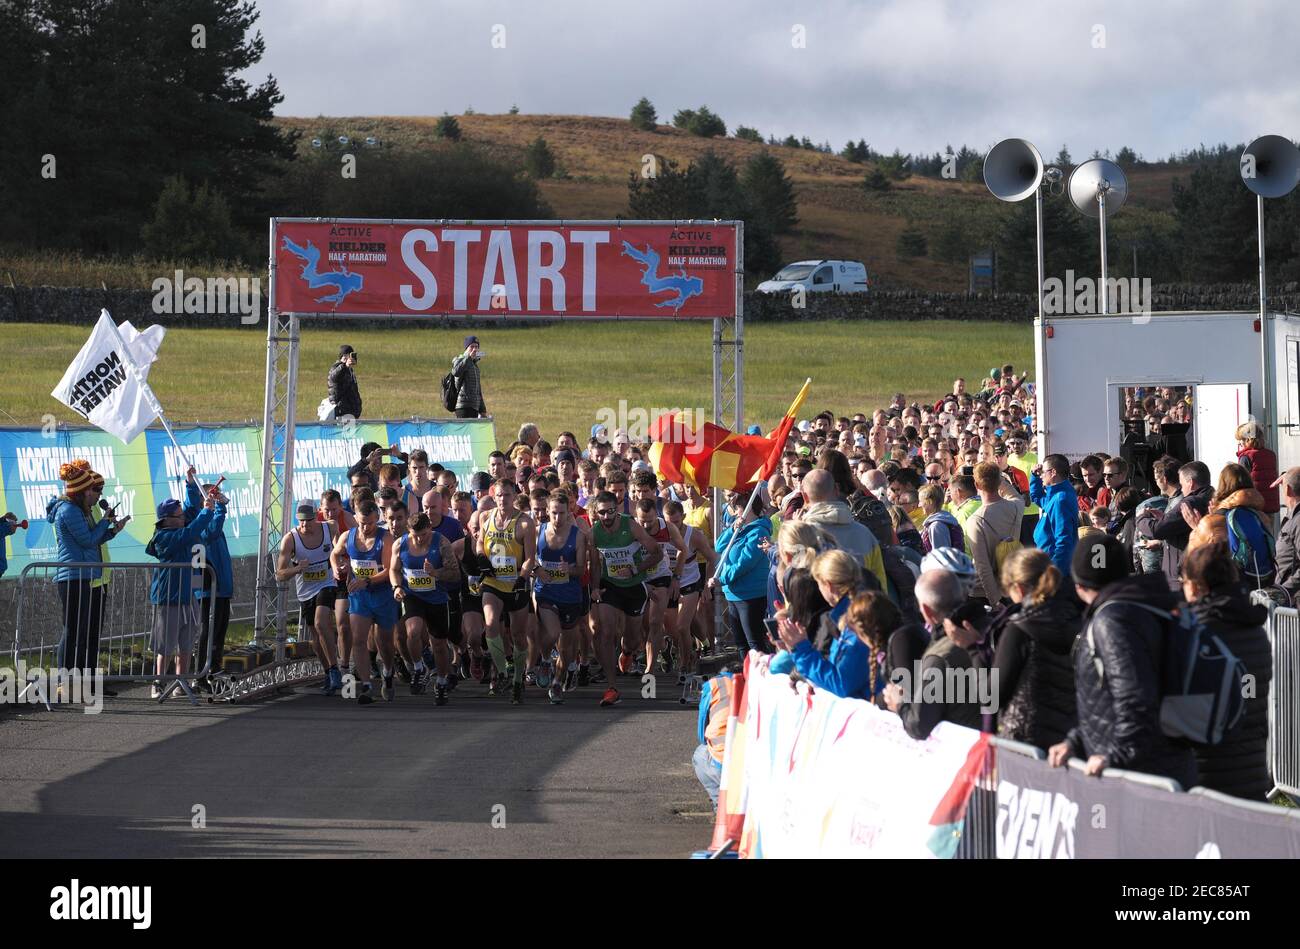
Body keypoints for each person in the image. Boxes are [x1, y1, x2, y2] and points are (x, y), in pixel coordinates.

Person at [1048, 534, 1198, 787]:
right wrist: (1076, 741)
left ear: (1079, 585)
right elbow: (1103, 698)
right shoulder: (1141, 605)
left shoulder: (1113, 621)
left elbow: (1136, 697)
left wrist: (1116, 756)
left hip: (1140, 773)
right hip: (1154, 762)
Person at [1179, 543, 1273, 800]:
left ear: (1196, 586)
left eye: (1183, 582)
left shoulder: (1194, 632)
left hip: (1204, 774)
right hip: (1250, 770)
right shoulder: (1253, 629)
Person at [46, 461, 129, 681]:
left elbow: (92, 539)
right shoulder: (69, 510)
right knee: (72, 630)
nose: (95, 497)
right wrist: (103, 522)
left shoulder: (77, 509)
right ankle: (65, 679)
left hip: (82, 575)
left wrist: (111, 530)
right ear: (81, 492)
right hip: (72, 576)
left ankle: (79, 680)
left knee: (80, 630)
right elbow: (87, 541)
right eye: (92, 491)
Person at [989, 548, 1079, 750]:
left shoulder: (1020, 628)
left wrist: (974, 650)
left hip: (1026, 739)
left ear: (1018, 588)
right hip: (1072, 738)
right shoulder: (1077, 616)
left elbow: (992, 695)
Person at [884, 567, 983, 739]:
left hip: (967, 749)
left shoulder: (939, 657)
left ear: (926, 610)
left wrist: (899, 704)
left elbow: (919, 725)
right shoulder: (990, 625)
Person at [591, 490, 664, 707]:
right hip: (609, 586)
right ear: (596, 512)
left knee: (633, 639)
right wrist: (594, 588)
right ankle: (612, 687)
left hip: (634, 587)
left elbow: (657, 553)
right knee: (606, 632)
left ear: (617, 509)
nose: (606, 516)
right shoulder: (594, 532)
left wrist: (635, 569)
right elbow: (595, 563)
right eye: (602, 512)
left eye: (610, 511)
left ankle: (627, 652)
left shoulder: (630, 525)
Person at [146, 495, 219, 699]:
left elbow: (196, 526)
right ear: (166, 519)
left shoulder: (182, 533)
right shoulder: (163, 538)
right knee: (166, 645)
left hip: (188, 598)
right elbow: (191, 531)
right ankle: (158, 683)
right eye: (178, 516)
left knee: (186, 645)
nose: (183, 519)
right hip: (168, 599)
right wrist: (207, 511)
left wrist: (199, 496)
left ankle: (181, 682)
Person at [774, 550, 873, 700]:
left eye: (818, 584)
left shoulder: (858, 619)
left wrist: (801, 648)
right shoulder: (847, 614)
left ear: (828, 585)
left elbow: (842, 684)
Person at [330, 499, 398, 705]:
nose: (365, 527)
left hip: (383, 594)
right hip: (359, 596)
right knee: (358, 639)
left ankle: (388, 671)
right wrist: (337, 568)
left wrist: (366, 580)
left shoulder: (386, 538)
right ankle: (366, 686)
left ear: (377, 520)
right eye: (361, 523)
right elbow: (335, 554)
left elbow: (389, 570)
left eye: (369, 523)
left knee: (385, 642)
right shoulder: (348, 536)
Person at [390, 511, 461, 704]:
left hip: (437, 598)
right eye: (415, 535)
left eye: (423, 534)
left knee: (438, 645)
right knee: (412, 632)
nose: (420, 539)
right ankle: (419, 667)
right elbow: (394, 569)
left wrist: (436, 572)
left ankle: (441, 681)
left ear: (430, 528)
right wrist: (396, 587)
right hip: (413, 596)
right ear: (409, 531)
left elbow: (455, 574)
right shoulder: (400, 544)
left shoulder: (441, 542)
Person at [476, 479, 537, 704]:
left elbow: (531, 557)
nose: (503, 500)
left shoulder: (525, 523)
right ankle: (502, 673)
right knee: (491, 624)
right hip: (493, 582)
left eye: (507, 495)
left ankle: (518, 679)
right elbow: (479, 542)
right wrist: (482, 557)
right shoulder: (485, 517)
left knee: (519, 636)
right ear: (494, 496)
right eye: (499, 495)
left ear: (514, 496)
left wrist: (523, 578)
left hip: (515, 583)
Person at [276, 502, 342, 695]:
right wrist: (297, 568)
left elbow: (339, 544)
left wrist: (339, 559)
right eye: (301, 521)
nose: (305, 525)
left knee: (322, 623)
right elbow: (279, 574)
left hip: (327, 583)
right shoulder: (290, 539)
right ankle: (328, 672)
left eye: (310, 520)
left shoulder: (330, 527)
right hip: (306, 590)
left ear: (317, 516)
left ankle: (336, 669)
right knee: (315, 637)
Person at [533, 490, 590, 705]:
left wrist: (570, 569)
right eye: (554, 513)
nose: (557, 518)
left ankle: (557, 682)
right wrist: (537, 570)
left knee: (567, 647)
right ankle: (546, 659)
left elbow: (580, 569)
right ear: (547, 511)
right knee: (552, 632)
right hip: (546, 592)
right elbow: (529, 560)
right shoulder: (538, 531)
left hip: (570, 595)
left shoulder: (578, 536)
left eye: (562, 513)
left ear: (569, 513)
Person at [182, 468, 233, 692]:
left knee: (219, 627)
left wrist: (218, 505)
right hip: (204, 586)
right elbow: (195, 510)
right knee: (206, 629)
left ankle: (214, 668)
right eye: (211, 496)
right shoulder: (198, 525)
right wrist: (190, 483)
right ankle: (200, 673)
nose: (214, 499)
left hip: (221, 585)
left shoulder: (211, 523)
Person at [1185, 463, 1275, 588]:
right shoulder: (1262, 517)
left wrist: (1197, 528)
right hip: (1262, 582)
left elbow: (1195, 560)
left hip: (1230, 590)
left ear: (1222, 486)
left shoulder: (1212, 522)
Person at [799, 469, 888, 591]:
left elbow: (796, 590)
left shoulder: (801, 536)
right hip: (865, 606)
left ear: (805, 497)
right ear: (836, 490)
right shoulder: (865, 534)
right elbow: (881, 586)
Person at [710, 490, 774, 657]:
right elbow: (719, 546)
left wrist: (721, 578)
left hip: (751, 595)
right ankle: (745, 679)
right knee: (741, 644)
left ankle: (759, 679)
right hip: (733, 594)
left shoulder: (759, 532)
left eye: (738, 508)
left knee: (754, 643)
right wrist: (732, 529)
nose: (736, 512)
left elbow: (745, 563)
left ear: (748, 510)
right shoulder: (739, 529)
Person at [964, 462, 1023, 606]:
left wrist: (995, 601)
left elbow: (982, 566)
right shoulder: (1016, 506)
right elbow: (1013, 494)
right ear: (999, 482)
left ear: (976, 485)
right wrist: (998, 479)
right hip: (1011, 584)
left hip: (984, 593)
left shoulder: (976, 520)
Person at [1151, 461, 1212, 590]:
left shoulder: (1190, 502)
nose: (1181, 488)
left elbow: (1158, 529)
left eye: (1182, 483)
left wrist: (1141, 517)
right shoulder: (1212, 498)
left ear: (1191, 483)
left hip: (1185, 576)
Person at [694, 663, 739, 809]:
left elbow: (701, 734)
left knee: (700, 754)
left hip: (723, 762)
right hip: (753, 763)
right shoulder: (758, 684)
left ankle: (719, 804)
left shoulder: (713, 685)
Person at [1030, 453, 1079, 577]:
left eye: (1043, 472)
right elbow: (1037, 497)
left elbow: (1063, 539)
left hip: (1053, 566)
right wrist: (1034, 477)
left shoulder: (1061, 498)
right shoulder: (1056, 494)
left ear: (1053, 472)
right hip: (1047, 561)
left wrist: (1055, 571)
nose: (1041, 475)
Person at [1235, 421, 1279, 515]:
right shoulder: (1270, 455)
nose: (1239, 443)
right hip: (1270, 505)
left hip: (1254, 506)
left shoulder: (1246, 457)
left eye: (1241, 440)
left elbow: (1241, 483)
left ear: (1248, 440)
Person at [1274, 466, 1300, 602]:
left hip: (1294, 601)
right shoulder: (1293, 517)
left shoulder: (1298, 520)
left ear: (1288, 489)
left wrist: (1285, 590)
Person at [451, 336, 487, 419]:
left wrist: (482, 410)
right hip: (463, 406)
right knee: (464, 432)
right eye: (472, 346)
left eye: (476, 347)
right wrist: (468, 358)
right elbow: (456, 372)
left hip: (474, 407)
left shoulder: (474, 365)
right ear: (466, 348)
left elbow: (478, 390)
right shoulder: (459, 359)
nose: (474, 349)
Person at [327, 345, 362, 420]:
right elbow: (334, 376)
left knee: (350, 432)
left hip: (349, 412)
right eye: (348, 355)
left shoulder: (349, 370)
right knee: (345, 432)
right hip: (341, 413)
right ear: (343, 356)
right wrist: (345, 366)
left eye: (351, 355)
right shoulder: (336, 367)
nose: (350, 358)